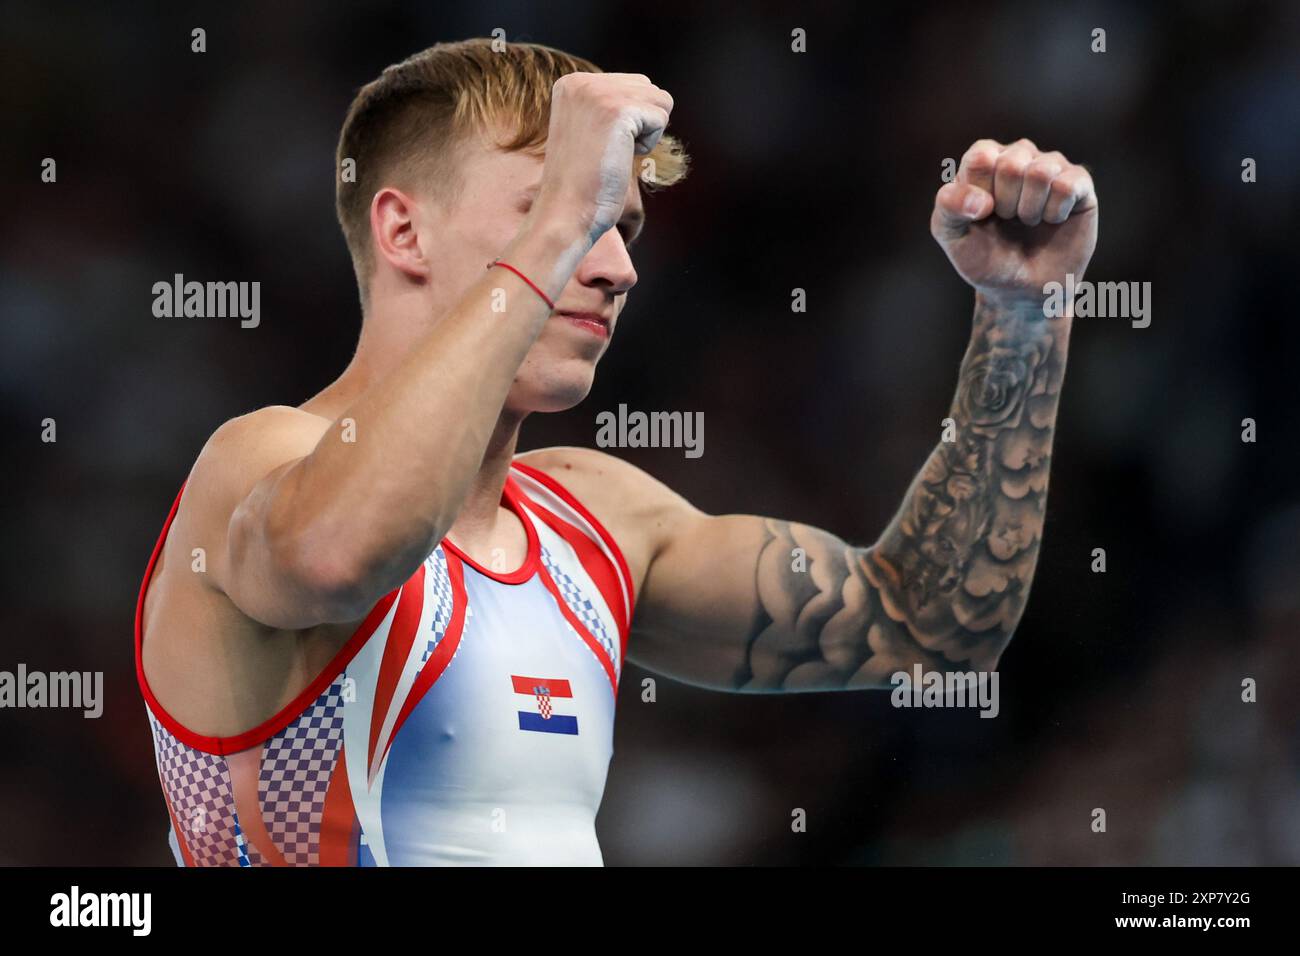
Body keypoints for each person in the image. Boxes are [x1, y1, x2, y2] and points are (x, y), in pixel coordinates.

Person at [135, 38, 1097, 865]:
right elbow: (344, 553)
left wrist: (1024, 312)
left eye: (622, 227)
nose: (615, 265)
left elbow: (928, 627)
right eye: (565, 214)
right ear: (401, 230)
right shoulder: (256, 461)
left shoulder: (595, 522)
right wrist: (560, 221)